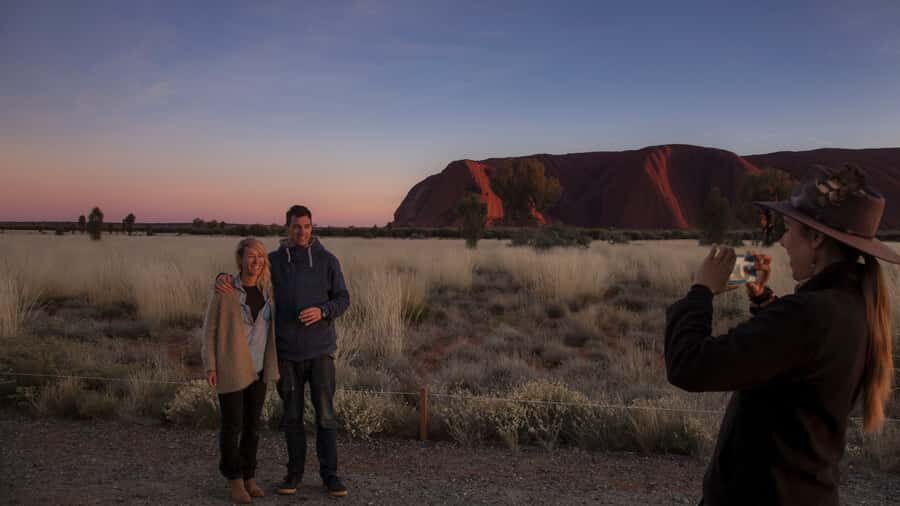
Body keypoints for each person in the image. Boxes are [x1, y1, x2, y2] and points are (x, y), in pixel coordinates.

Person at [665, 164, 897, 505]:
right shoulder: (852, 303)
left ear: (817, 238)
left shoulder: (810, 313)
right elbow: (795, 357)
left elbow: (690, 365)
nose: (784, 241)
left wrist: (701, 291)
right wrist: (760, 296)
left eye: (790, 229)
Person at [217, 205, 350, 498]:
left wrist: (323, 311)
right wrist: (222, 278)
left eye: (306, 226)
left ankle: (331, 477)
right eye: (295, 226)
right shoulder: (274, 261)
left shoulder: (328, 261)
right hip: (286, 354)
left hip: (321, 352)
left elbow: (343, 298)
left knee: (326, 416)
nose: (301, 231)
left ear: (312, 227)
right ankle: (294, 475)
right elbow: (247, 275)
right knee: (292, 418)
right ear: (287, 228)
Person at [202, 238, 279, 504]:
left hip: (259, 368)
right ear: (241, 260)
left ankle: (249, 477)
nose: (255, 261)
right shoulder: (226, 290)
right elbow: (209, 330)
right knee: (232, 425)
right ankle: (234, 480)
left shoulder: (269, 290)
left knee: (252, 427)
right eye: (250, 256)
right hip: (232, 366)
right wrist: (211, 365)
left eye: (259, 256)